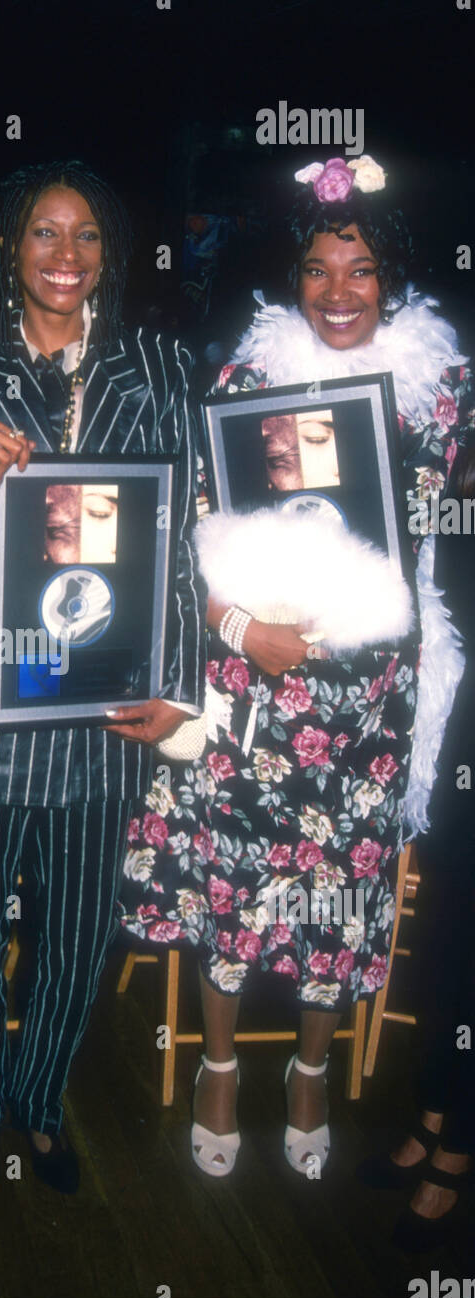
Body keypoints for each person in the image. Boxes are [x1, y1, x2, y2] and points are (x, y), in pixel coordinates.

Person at [122, 155, 474, 1179]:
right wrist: (238, 635)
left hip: (369, 698)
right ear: (289, 280)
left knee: (341, 885)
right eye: (316, 269)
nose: (336, 293)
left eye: (358, 270)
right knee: (232, 883)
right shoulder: (241, 382)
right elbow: (186, 540)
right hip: (255, 687)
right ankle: (221, 1064)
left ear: (393, 279)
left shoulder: (446, 393)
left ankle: (311, 1071)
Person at [0, 159, 204, 1207]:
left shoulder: (161, 367)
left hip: (104, 712)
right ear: (7, 248)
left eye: (85, 236)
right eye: (42, 233)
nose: (64, 255)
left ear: (108, 256)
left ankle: (41, 1103)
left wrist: (183, 690)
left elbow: (180, 552)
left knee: (76, 939)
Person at [357, 445, 474, 1251]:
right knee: (441, 938)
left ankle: (458, 1146)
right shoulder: (456, 464)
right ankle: (432, 1109)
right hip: (460, 736)